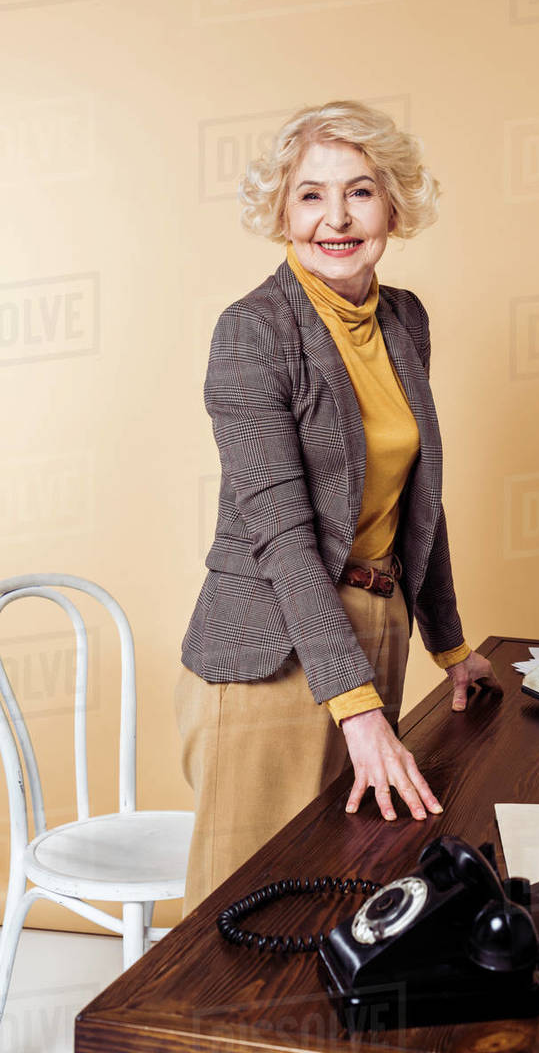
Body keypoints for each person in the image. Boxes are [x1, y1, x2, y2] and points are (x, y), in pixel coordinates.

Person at [175, 100, 500, 913]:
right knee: (244, 916)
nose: (337, 218)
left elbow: (417, 498)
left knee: (347, 891)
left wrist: (450, 645)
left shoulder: (403, 318)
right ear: (282, 212)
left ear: (392, 204)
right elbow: (283, 535)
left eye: (359, 191)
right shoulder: (251, 331)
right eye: (311, 195)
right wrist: (357, 710)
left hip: (375, 628)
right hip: (273, 653)